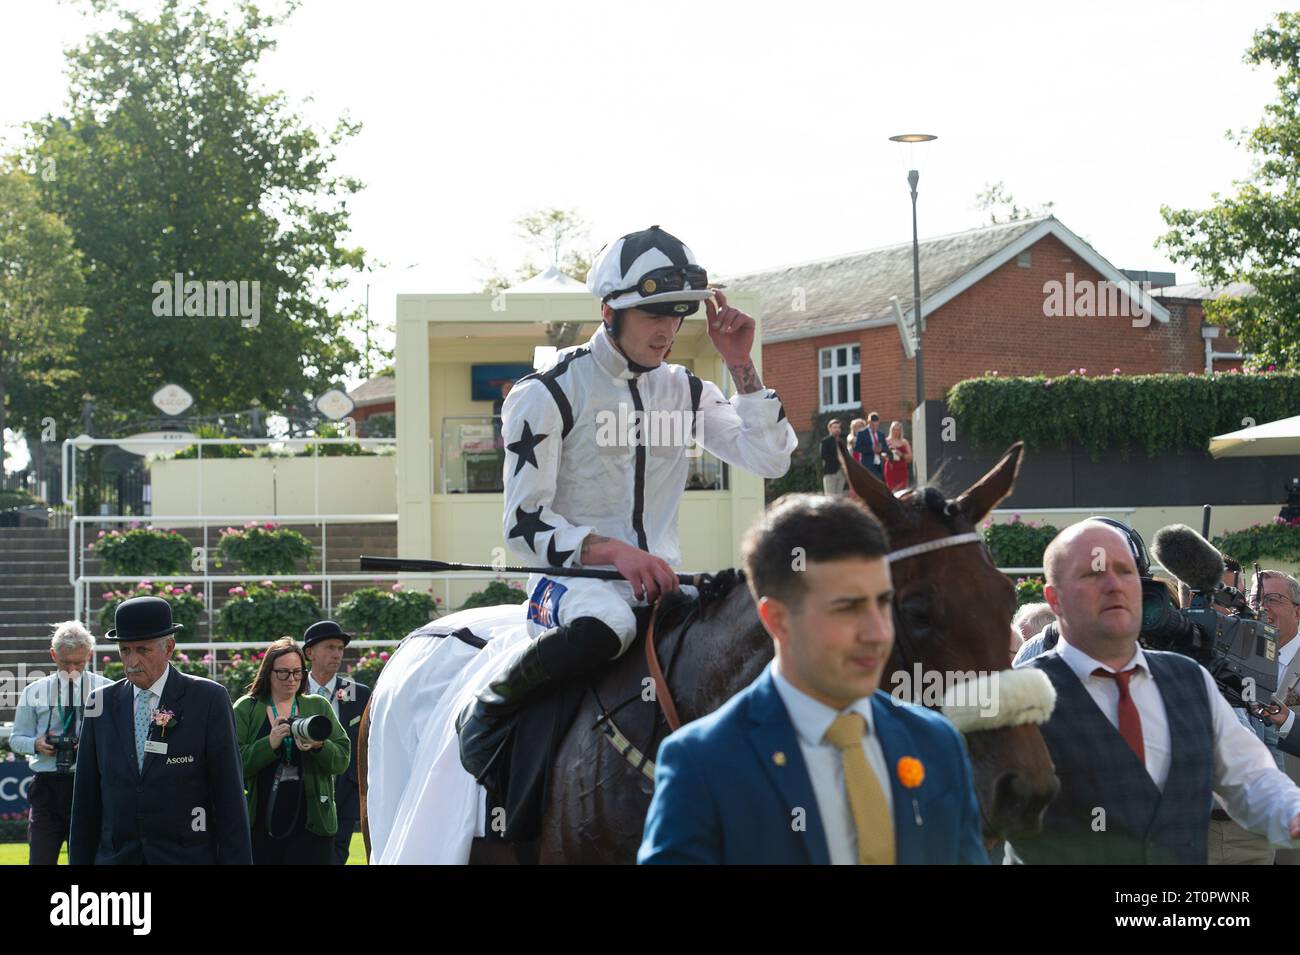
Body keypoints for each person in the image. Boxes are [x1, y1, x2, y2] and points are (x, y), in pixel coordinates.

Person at [458, 224, 798, 777]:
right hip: (567, 586)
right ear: (609, 310)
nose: (667, 330)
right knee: (610, 624)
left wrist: (741, 363)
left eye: (677, 314)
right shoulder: (545, 392)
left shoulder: (686, 389)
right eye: (654, 314)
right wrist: (615, 552)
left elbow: (772, 459)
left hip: (663, 589)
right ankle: (489, 712)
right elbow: (523, 527)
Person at [638, 493, 987, 864]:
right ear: (778, 620)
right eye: (848, 608)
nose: (877, 632)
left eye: (884, 603)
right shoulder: (703, 764)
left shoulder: (937, 743)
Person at [1005, 521, 1300, 864]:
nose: (1114, 585)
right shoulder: (1018, 698)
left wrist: (1290, 813)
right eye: (1093, 574)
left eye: (1124, 572)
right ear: (1054, 598)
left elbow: (1253, 778)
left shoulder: (1189, 680)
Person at [69, 596, 251, 864]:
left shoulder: (208, 699)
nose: (132, 661)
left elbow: (229, 798)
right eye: (125, 650)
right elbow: (85, 802)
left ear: (169, 648)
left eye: (143, 650)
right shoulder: (100, 702)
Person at [233, 637, 350, 865]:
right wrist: (270, 743)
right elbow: (233, 765)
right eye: (283, 673)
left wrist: (319, 746)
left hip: (312, 824)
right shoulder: (247, 708)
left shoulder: (318, 705)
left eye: (297, 672)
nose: (292, 679)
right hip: (261, 823)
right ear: (268, 672)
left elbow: (342, 760)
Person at [9, 621, 112, 864]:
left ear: (89, 655)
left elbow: (115, 740)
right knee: (41, 859)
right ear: (53, 655)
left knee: (88, 859)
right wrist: (36, 744)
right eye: (66, 663)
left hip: (89, 785)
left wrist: (89, 746)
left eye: (79, 662)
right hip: (47, 787)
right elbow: (16, 739)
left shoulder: (107, 689)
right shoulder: (33, 691)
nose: (73, 669)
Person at [302, 620, 371, 865]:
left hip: (344, 789)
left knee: (338, 853)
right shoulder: (291, 688)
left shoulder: (360, 694)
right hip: (303, 785)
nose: (337, 654)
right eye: (330, 647)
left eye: (340, 648)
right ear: (310, 652)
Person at [882, 420, 912, 492]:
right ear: (891, 430)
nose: (895, 431)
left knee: (903, 491)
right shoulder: (886, 441)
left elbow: (910, 457)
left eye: (897, 430)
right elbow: (881, 454)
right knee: (891, 491)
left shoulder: (904, 442)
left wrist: (901, 454)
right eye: (894, 429)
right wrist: (888, 455)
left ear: (900, 431)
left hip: (902, 469)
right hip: (890, 469)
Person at [819, 420, 847, 495]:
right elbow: (824, 456)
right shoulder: (825, 441)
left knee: (839, 498)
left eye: (838, 427)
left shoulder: (842, 442)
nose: (837, 429)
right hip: (830, 473)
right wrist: (838, 459)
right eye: (835, 427)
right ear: (829, 429)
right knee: (830, 498)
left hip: (842, 473)